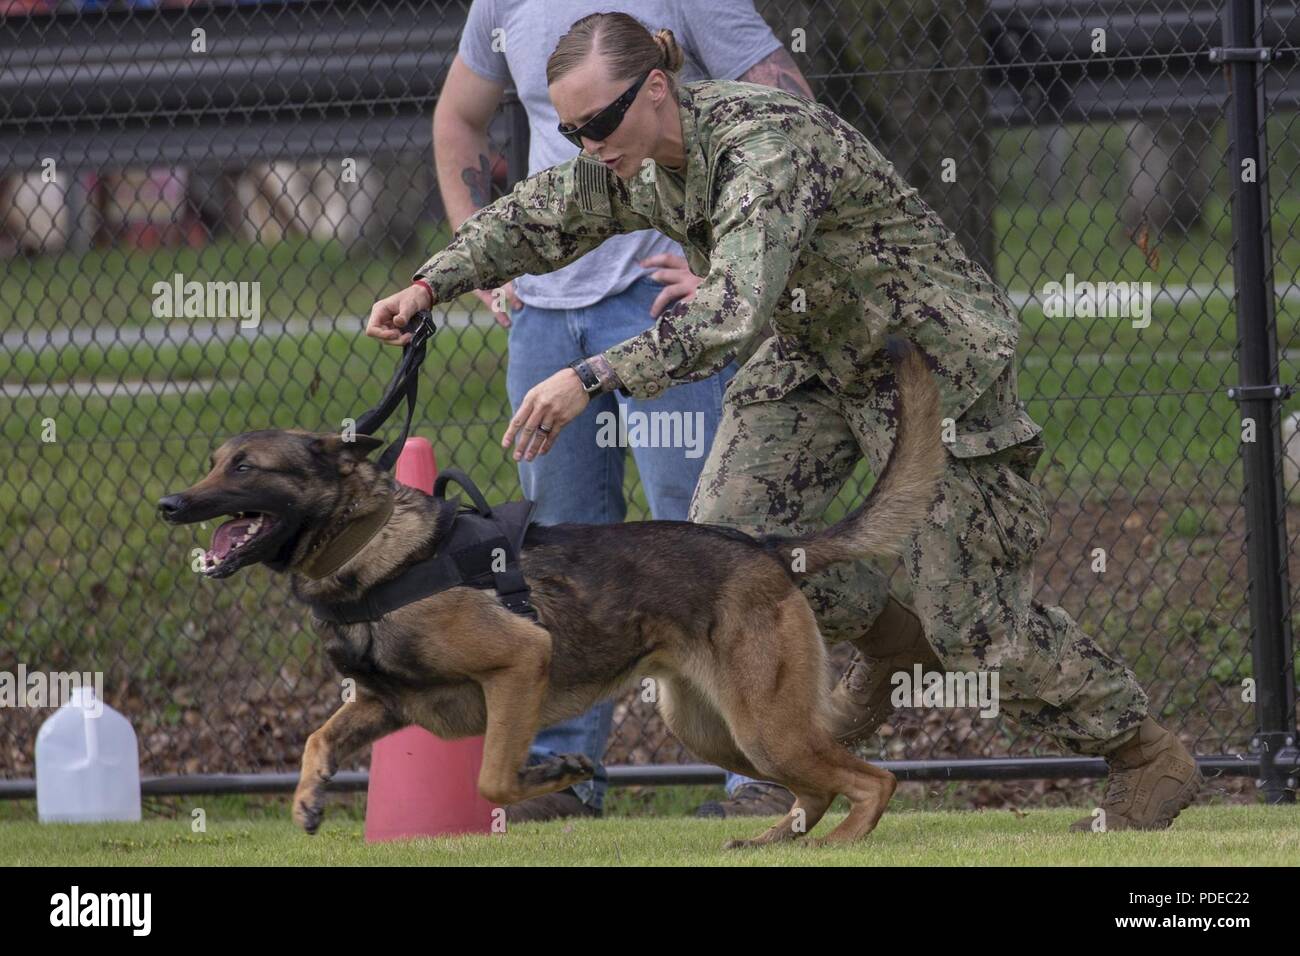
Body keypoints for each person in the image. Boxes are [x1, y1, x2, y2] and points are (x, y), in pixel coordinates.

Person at [369, 13, 1202, 832]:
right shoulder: (633, 157)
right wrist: (427, 286)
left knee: (972, 618)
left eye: (601, 121)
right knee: (721, 563)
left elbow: (729, 315)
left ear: (657, 88)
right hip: (812, 355)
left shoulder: (761, 148)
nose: (588, 143)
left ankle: (1142, 752)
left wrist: (591, 377)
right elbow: (537, 212)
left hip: (927, 359)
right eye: (571, 127)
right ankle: (890, 635)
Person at [432, 3, 815, 822]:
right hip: (543, 313)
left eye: (598, 123)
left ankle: (764, 774)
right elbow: (459, 118)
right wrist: (474, 261)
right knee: (553, 551)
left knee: (706, 534)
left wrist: (722, 261)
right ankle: (559, 784)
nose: (589, 141)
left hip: (654, 306)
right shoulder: (501, 7)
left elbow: (787, 108)